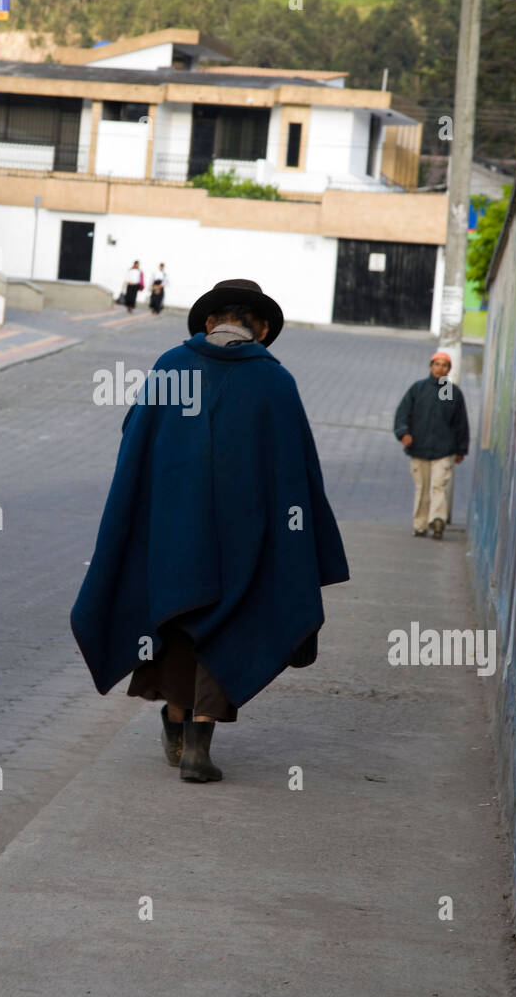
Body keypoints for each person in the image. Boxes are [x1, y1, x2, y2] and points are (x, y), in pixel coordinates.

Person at [71, 278, 349, 783]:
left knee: (178, 619)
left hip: (174, 534)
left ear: (208, 323)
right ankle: (199, 740)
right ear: (261, 329)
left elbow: (136, 446)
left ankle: (174, 725)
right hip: (246, 540)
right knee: (230, 624)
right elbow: (299, 473)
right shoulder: (275, 383)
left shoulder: (170, 367)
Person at [393, 350, 470, 540]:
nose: (440, 368)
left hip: (444, 450)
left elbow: (460, 423)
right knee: (422, 487)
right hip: (419, 449)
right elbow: (403, 414)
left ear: (449, 369)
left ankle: (437, 521)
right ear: (430, 366)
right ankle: (420, 524)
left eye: (444, 365)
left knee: (438, 486)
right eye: (437, 364)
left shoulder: (451, 393)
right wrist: (404, 433)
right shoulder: (418, 389)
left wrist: (461, 449)